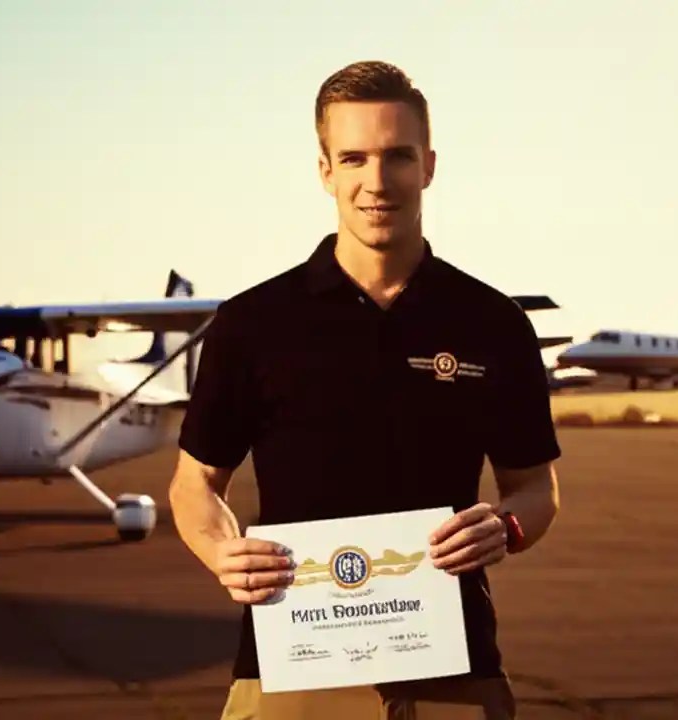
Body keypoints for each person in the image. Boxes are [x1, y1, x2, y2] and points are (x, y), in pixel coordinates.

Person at [168, 60, 562, 719]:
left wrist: (508, 525)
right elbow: (193, 485)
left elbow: (536, 491)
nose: (377, 182)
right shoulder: (253, 323)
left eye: (398, 157)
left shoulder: (493, 322)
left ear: (429, 165)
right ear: (325, 170)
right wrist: (221, 553)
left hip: (452, 674)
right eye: (353, 158)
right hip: (290, 673)